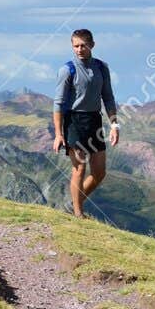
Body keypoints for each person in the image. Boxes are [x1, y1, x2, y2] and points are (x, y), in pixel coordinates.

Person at [52, 29, 120, 218]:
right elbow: (58, 103)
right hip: (74, 121)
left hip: (94, 120)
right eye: (76, 46)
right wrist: (58, 134)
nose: (79, 49)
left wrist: (114, 125)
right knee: (79, 167)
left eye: (83, 45)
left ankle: (76, 202)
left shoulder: (101, 67)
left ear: (92, 45)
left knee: (99, 172)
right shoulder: (67, 70)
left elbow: (108, 97)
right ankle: (78, 214)